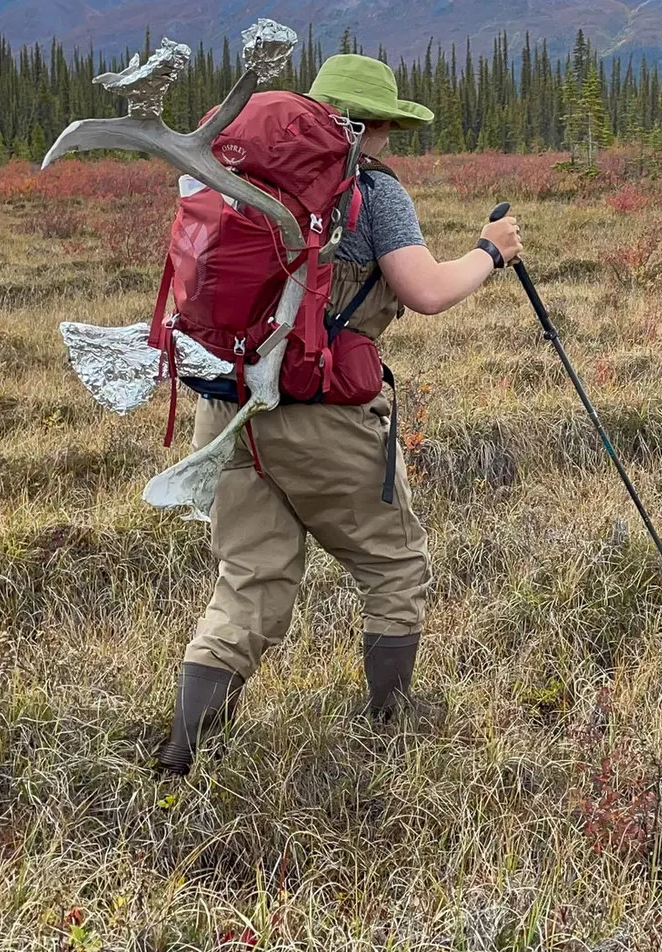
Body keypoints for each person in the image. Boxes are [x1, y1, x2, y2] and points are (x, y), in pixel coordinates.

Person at [155, 53, 523, 776]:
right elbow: (425, 290)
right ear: (377, 124)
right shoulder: (374, 191)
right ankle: (391, 729)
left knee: (250, 580)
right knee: (394, 563)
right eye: (389, 127)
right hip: (319, 414)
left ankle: (183, 753)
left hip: (228, 408)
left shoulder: (240, 180)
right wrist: (490, 251)